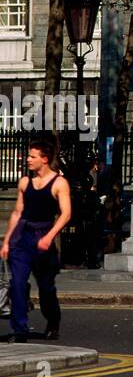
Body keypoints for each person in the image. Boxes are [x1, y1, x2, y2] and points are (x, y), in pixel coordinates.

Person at [1, 136, 71, 343]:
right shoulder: (25, 182)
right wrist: (6, 241)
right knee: (18, 284)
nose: (28, 160)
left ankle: (53, 320)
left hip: (43, 235)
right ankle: (20, 329)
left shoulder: (59, 183)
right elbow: (17, 212)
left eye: (32, 157)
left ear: (45, 159)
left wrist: (49, 237)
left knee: (46, 287)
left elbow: (66, 214)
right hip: (23, 237)